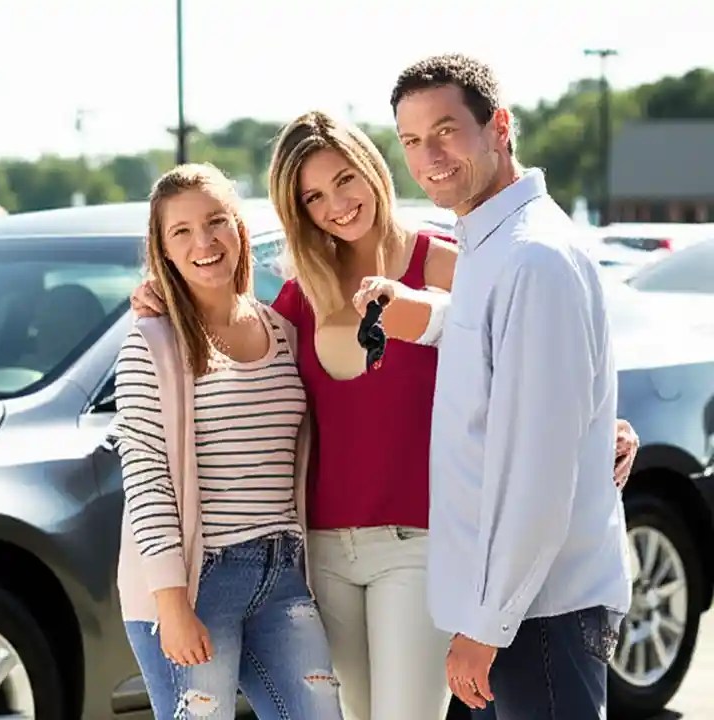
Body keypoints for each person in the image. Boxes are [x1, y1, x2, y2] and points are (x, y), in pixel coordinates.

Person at [128, 112, 641, 720]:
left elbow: (544, 349)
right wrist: (161, 294)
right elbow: (239, 379)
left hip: (419, 543)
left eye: (345, 180)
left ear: (373, 170)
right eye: (313, 196)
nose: (336, 205)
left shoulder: (452, 266)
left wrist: (602, 424)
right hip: (319, 556)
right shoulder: (297, 298)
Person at [390, 53, 632, 719]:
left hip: (536, 617)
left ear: (499, 126)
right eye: (411, 140)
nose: (428, 157)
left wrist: (486, 628)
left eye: (445, 131)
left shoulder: (533, 258)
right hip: (506, 614)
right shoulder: (488, 245)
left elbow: (537, 472)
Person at [112, 162, 344, 720]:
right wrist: (171, 603)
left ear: (239, 227)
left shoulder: (283, 332)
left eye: (216, 222)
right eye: (182, 232)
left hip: (283, 575)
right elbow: (146, 479)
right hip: (197, 583)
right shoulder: (153, 343)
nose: (204, 242)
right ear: (162, 249)